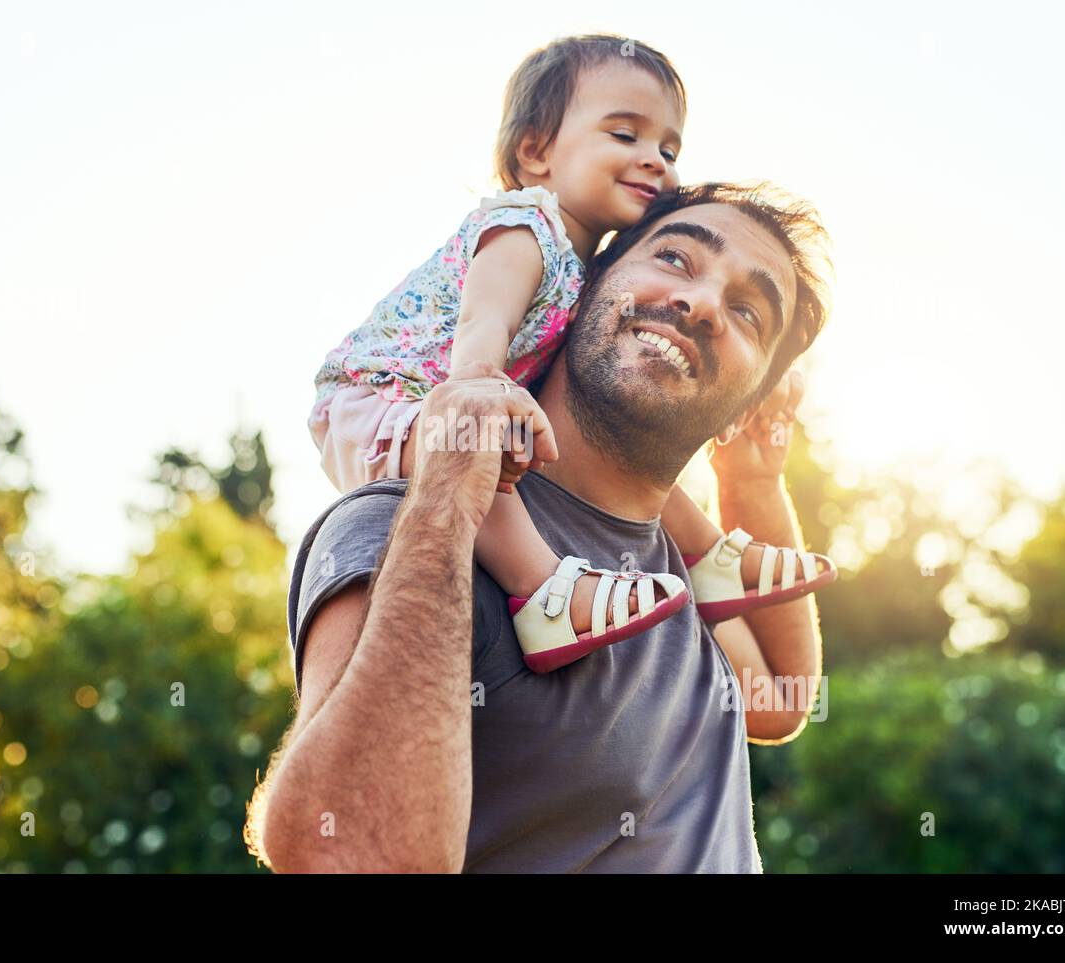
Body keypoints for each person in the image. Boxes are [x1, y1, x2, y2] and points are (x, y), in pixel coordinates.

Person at [247, 180, 833, 872]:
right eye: (675, 259)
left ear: (743, 408)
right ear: (578, 294)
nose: (702, 303)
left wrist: (754, 481)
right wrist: (443, 494)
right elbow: (339, 852)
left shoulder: (677, 570)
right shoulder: (407, 525)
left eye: (748, 312)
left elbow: (782, 699)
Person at [308, 34, 834, 673]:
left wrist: (752, 481)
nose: (657, 163)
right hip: (387, 397)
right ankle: (546, 593)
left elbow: (778, 704)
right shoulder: (524, 227)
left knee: (597, 455)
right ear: (535, 151)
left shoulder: (582, 274)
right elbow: (483, 321)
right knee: (472, 441)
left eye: (669, 149)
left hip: (456, 405)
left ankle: (712, 561)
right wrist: (480, 384)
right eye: (625, 136)